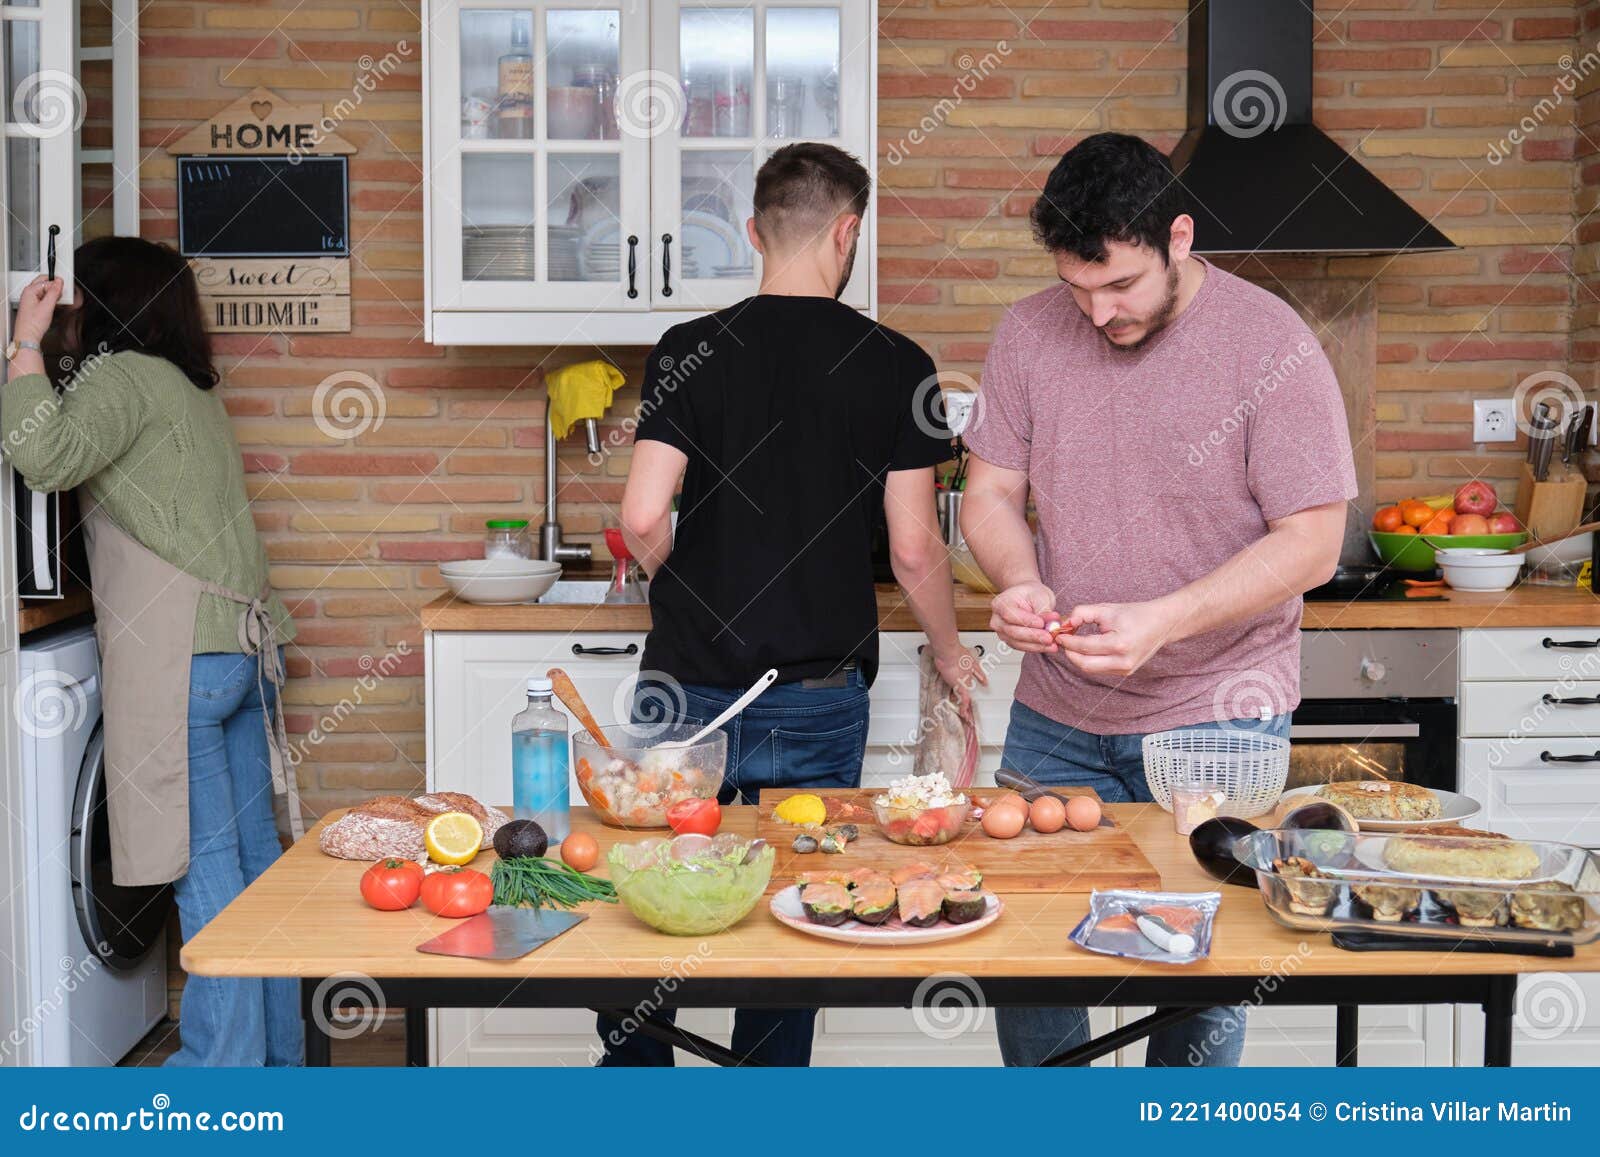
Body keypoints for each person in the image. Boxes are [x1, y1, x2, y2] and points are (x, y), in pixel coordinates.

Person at [959, 133, 1355, 1067]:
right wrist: (1019, 580)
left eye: (1122, 285)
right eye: (1078, 289)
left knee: (1196, 977)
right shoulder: (1026, 333)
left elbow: (1315, 543)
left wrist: (1163, 621)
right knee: (1035, 960)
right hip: (1057, 714)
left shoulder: (1270, 343)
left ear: (1179, 237)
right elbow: (987, 495)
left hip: (1218, 717)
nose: (1099, 313)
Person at [600, 141, 984, 1066]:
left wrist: (687, 586)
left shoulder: (688, 350)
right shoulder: (900, 363)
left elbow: (642, 513)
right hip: (816, 695)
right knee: (796, 912)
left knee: (650, 901)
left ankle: (636, 1094)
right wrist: (953, 648)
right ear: (848, 231)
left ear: (751, 233)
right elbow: (913, 544)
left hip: (686, 689)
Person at [1, 236, 302, 1067]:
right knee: (254, 873)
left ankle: (223, 1081)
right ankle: (278, 1067)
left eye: (73, 308)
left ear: (99, 307)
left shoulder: (122, 379)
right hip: (239, 656)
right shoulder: (188, 389)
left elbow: (44, 454)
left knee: (202, 876)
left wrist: (22, 345)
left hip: (184, 661)